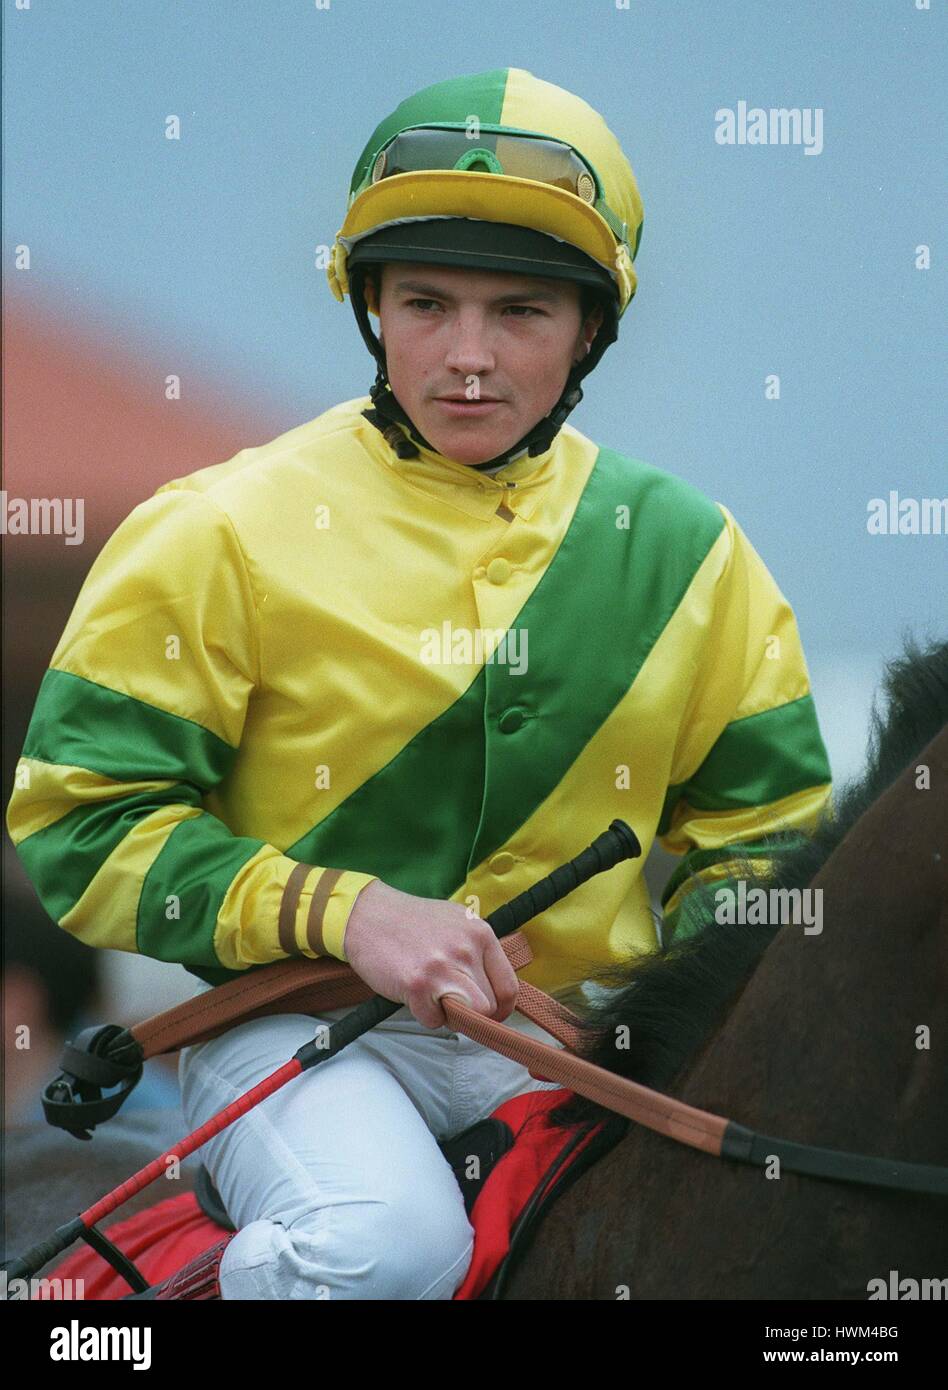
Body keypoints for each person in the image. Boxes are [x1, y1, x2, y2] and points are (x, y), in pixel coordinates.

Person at [5, 68, 833, 1299]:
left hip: (576, 1041)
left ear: (592, 329)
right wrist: (346, 911)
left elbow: (766, 846)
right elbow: (81, 823)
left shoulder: (695, 556)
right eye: (426, 303)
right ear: (370, 307)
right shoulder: (219, 529)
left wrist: (686, 1013)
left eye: (522, 313)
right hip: (287, 1033)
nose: (467, 358)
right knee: (385, 1243)